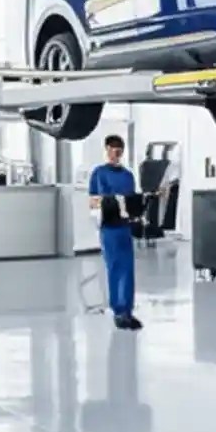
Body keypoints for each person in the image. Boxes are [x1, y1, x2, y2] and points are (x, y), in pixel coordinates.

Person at [89, 134, 142, 331]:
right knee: (114, 267)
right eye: (112, 150)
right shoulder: (99, 174)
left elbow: (132, 201)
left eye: (119, 151)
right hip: (109, 227)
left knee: (127, 269)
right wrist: (107, 203)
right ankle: (118, 310)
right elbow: (92, 201)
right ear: (106, 150)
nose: (115, 155)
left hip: (124, 226)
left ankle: (127, 310)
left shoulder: (128, 176)